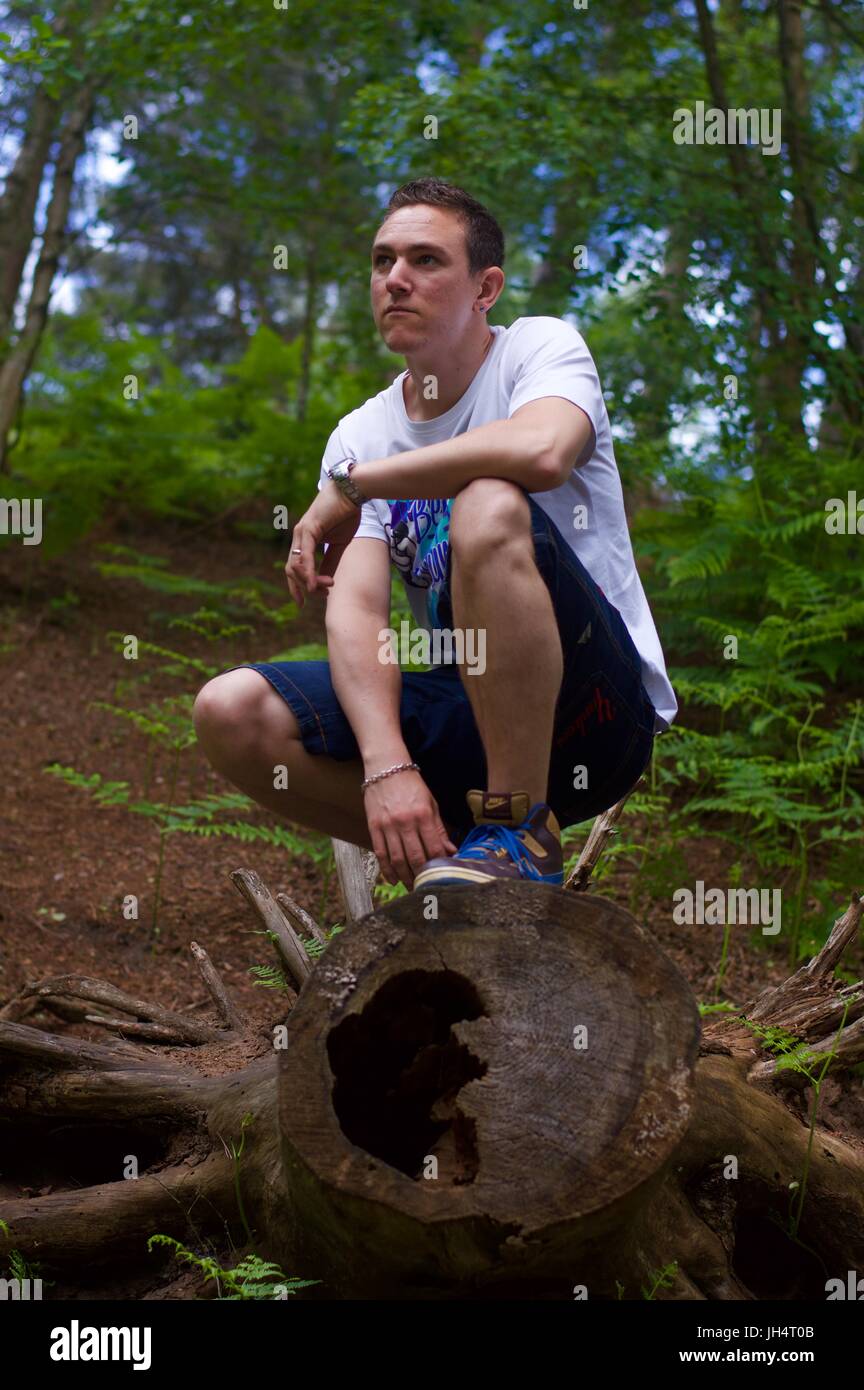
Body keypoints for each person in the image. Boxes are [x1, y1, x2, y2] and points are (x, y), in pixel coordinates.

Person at [193, 178, 677, 893]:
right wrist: (388, 766)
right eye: (383, 260)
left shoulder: (538, 350)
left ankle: (518, 831)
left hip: (595, 713)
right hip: (470, 710)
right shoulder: (361, 432)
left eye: (425, 260)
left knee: (485, 500)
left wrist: (358, 485)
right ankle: (450, 869)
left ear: (485, 288)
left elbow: (543, 452)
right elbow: (358, 610)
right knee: (230, 711)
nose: (395, 278)